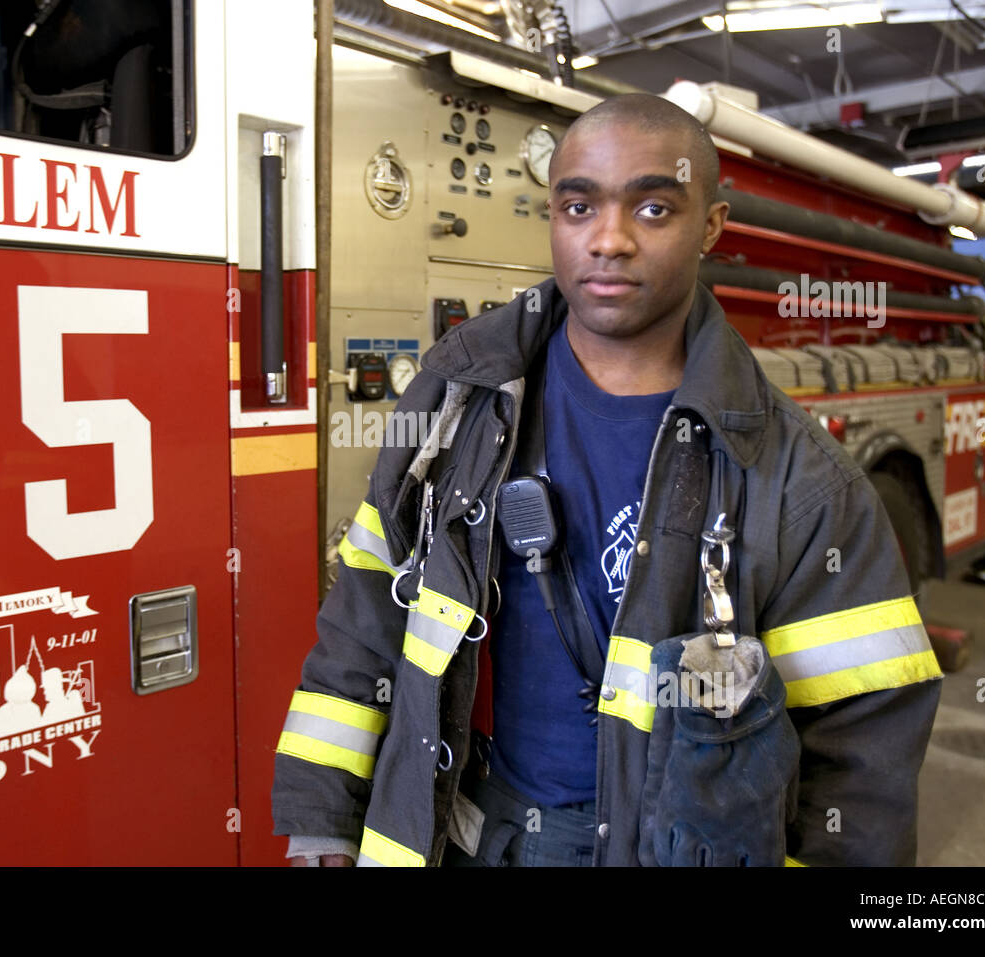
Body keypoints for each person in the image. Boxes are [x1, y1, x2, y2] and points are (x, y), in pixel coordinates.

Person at [271, 93, 943, 867]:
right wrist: (323, 816)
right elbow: (365, 611)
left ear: (712, 226)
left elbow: (862, 751)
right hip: (458, 839)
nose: (610, 239)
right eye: (579, 205)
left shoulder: (797, 478)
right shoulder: (459, 399)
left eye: (654, 208)